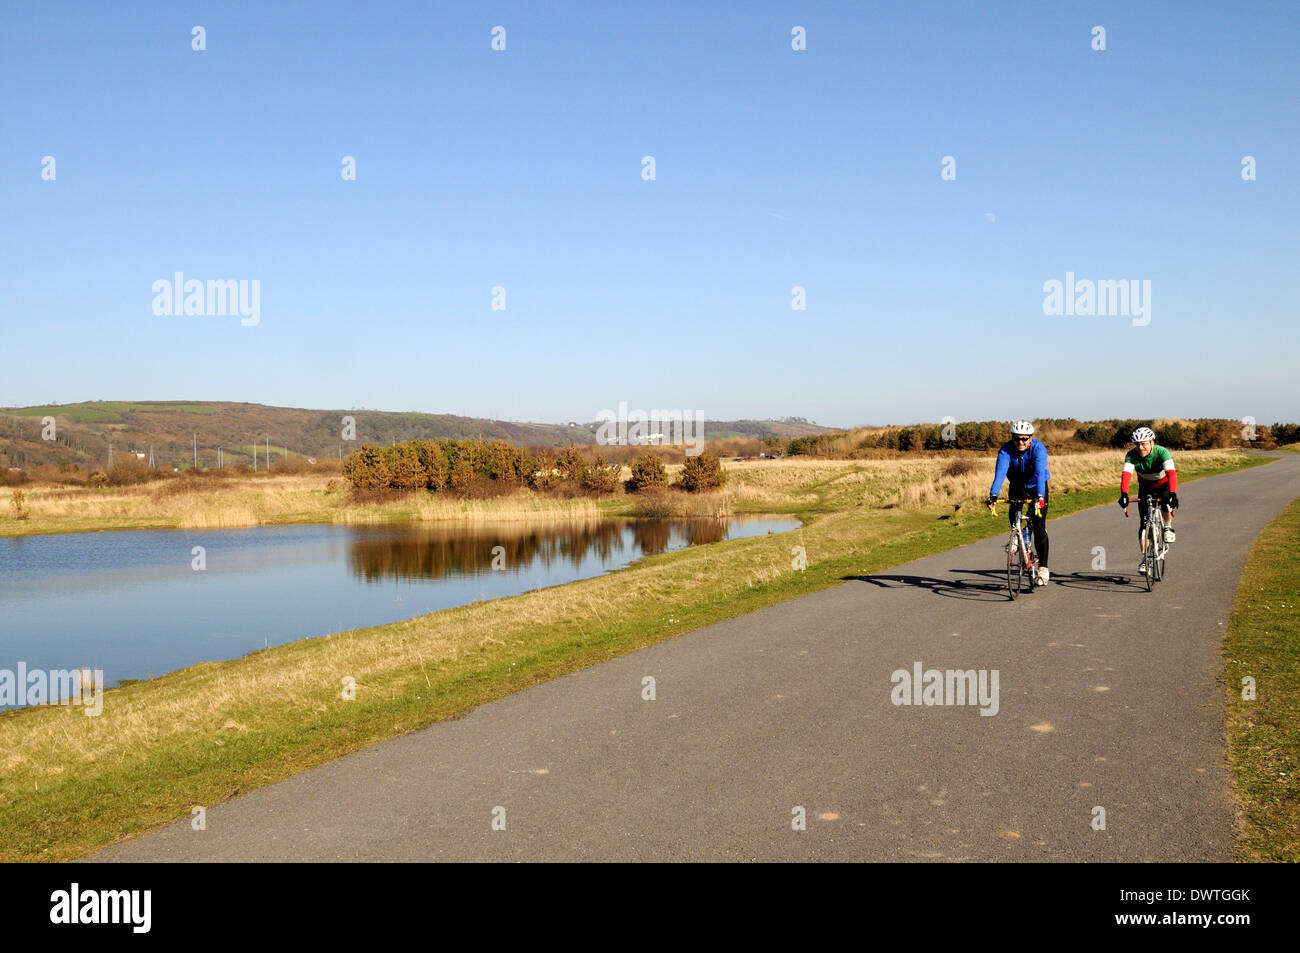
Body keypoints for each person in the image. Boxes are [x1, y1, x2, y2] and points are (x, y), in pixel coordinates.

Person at [986, 420, 1051, 585]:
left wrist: (1040, 497)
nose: (1020, 442)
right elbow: (1000, 473)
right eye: (1016, 439)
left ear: (1030, 438)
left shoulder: (1038, 449)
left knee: (1039, 525)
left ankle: (1043, 568)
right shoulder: (1006, 450)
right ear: (1012, 438)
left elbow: (1039, 471)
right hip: (1017, 484)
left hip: (1037, 485)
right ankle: (1016, 533)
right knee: (1014, 507)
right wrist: (993, 495)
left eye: (1024, 439)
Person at [1118, 426, 1178, 574]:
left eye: (1144, 443)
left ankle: (1167, 527)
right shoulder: (1131, 455)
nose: (1140, 447)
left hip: (1163, 485)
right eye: (1137, 444)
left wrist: (1173, 493)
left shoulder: (1162, 452)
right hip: (1145, 487)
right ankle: (1145, 559)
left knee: (1165, 502)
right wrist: (1124, 494)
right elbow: (1126, 474)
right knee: (1144, 524)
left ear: (1152, 442)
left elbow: (1171, 473)